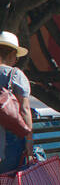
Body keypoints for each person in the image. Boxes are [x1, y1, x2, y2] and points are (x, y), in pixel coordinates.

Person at [0, 31, 33, 176]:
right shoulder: (16, 75)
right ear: (12, 54)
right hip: (10, 137)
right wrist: (29, 140)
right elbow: (25, 109)